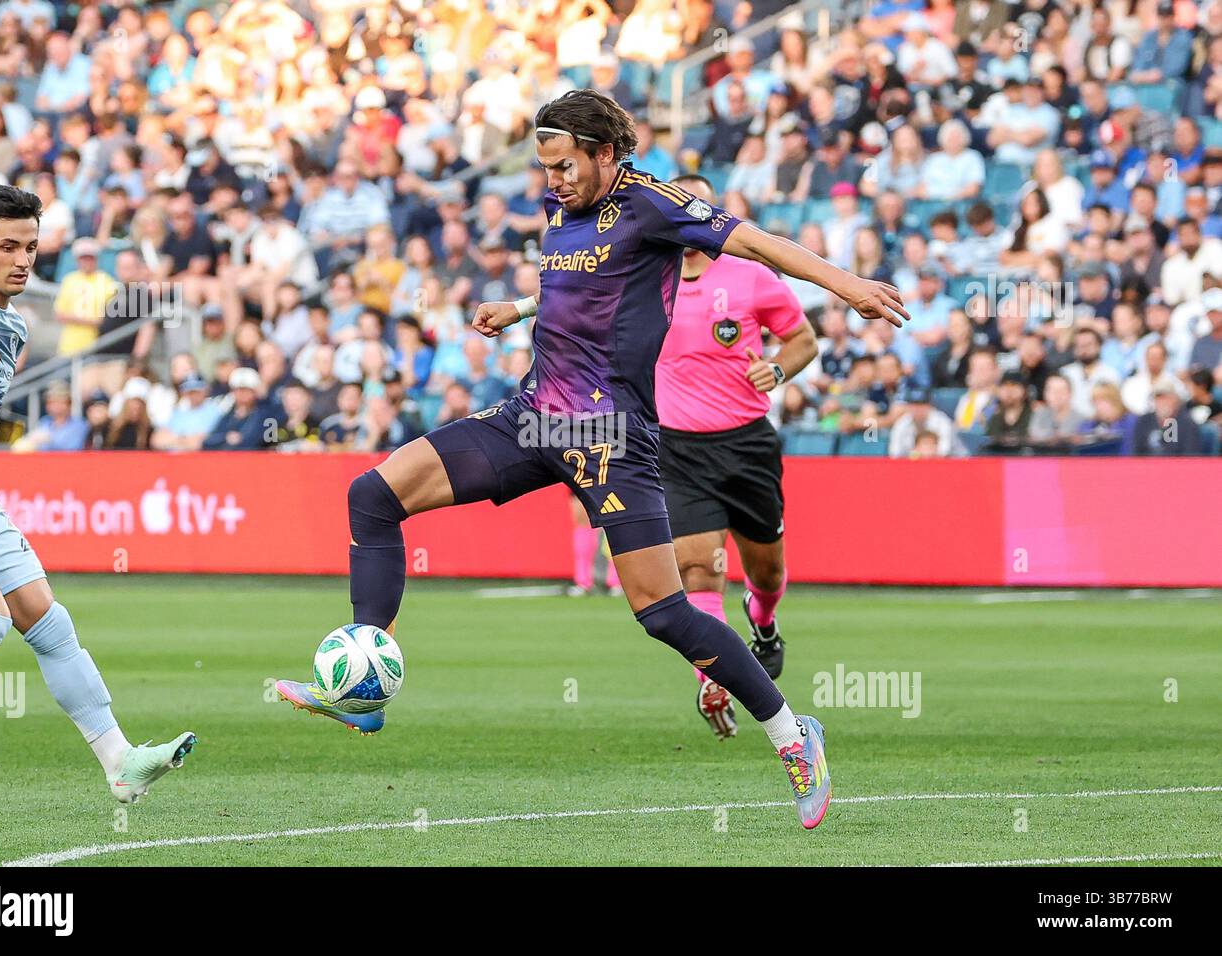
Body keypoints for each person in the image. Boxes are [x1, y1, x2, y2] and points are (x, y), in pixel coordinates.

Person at [274, 90, 908, 831]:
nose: (553, 180)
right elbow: (584, 286)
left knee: (666, 615)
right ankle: (364, 688)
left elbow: (758, 242)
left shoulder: (651, 202)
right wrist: (520, 308)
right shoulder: (564, 210)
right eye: (545, 167)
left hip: (611, 437)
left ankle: (796, 737)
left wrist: (849, 286)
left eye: (565, 164)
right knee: (372, 496)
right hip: (533, 420)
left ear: (607, 153)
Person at [0, 186, 194, 803]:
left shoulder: (17, 326)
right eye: (7, 246)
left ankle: (120, 761)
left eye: (32, 247)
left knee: (46, 618)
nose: (22, 260)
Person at [654, 174, 816, 740]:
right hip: (677, 448)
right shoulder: (646, 278)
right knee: (697, 567)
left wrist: (778, 368)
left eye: (698, 205)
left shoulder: (751, 277)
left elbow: (803, 341)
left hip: (746, 445)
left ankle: (764, 621)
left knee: (765, 571)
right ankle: (715, 675)